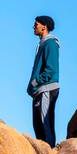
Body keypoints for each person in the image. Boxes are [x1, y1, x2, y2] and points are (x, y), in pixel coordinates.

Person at [28, 15, 61, 145]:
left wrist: (34, 82)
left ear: (44, 27)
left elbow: (51, 69)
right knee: (37, 126)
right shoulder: (42, 44)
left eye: (36, 24)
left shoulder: (51, 44)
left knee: (44, 123)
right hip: (39, 90)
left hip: (47, 88)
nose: (33, 27)